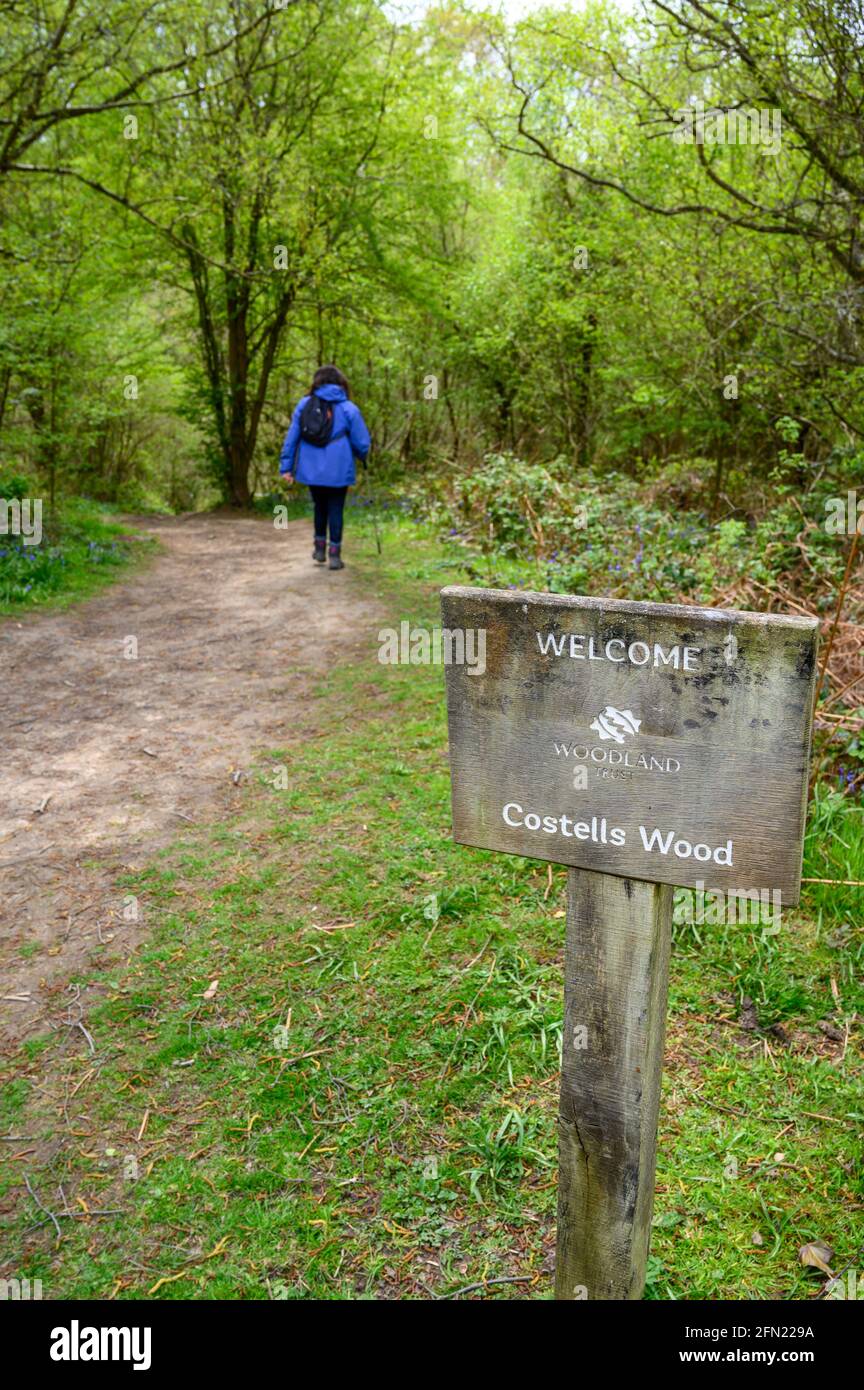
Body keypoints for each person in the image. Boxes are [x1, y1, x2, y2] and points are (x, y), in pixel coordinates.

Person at [279, 365, 370, 570]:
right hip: (339, 468)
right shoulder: (349, 408)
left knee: (319, 506)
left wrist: (286, 467)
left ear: (317, 382)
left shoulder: (304, 404)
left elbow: (292, 438)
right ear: (340, 383)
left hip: (311, 469)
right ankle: (335, 555)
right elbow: (362, 442)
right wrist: (362, 457)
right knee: (336, 508)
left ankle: (319, 548)